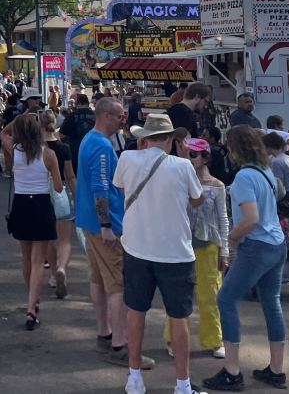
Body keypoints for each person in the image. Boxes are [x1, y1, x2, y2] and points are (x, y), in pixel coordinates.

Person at [113, 113, 204, 394]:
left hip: (137, 247)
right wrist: (186, 158)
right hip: (175, 251)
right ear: (171, 140)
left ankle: (135, 378)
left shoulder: (127, 159)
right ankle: (182, 384)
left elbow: (123, 188)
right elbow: (197, 199)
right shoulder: (182, 166)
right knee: (179, 318)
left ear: (144, 139)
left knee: (136, 312)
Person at [203, 125, 288, 392]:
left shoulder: (243, 178)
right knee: (271, 304)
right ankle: (276, 369)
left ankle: (232, 370)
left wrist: (231, 239)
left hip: (257, 246)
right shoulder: (265, 171)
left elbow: (251, 219)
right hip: (276, 244)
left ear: (236, 148)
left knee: (226, 299)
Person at [75, 97, 155, 369]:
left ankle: (105, 333)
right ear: (106, 116)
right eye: (120, 115)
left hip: (89, 222)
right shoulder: (100, 145)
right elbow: (100, 187)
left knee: (98, 278)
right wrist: (107, 225)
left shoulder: (90, 140)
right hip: (104, 226)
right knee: (117, 283)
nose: (124, 119)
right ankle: (120, 344)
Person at [165, 137, 228, 361]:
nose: (189, 159)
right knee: (179, 295)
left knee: (210, 294)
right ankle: (174, 338)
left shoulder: (217, 186)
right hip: (181, 245)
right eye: (185, 154)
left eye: (193, 155)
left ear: (205, 158)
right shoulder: (178, 182)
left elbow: (223, 219)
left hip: (209, 245)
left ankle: (214, 340)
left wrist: (225, 251)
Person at [4, 112, 63, 331]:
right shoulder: (48, 155)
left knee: (26, 258)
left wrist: (20, 118)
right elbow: (58, 187)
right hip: (40, 204)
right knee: (39, 260)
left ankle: (32, 297)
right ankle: (32, 307)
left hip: (21, 205)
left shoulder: (15, 150)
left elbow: (4, 132)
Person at [41, 112, 78, 299]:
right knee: (65, 239)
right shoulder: (64, 148)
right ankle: (63, 268)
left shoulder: (37, 149)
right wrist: (77, 197)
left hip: (42, 194)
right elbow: (70, 176)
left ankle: (54, 274)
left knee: (48, 238)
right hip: (61, 191)